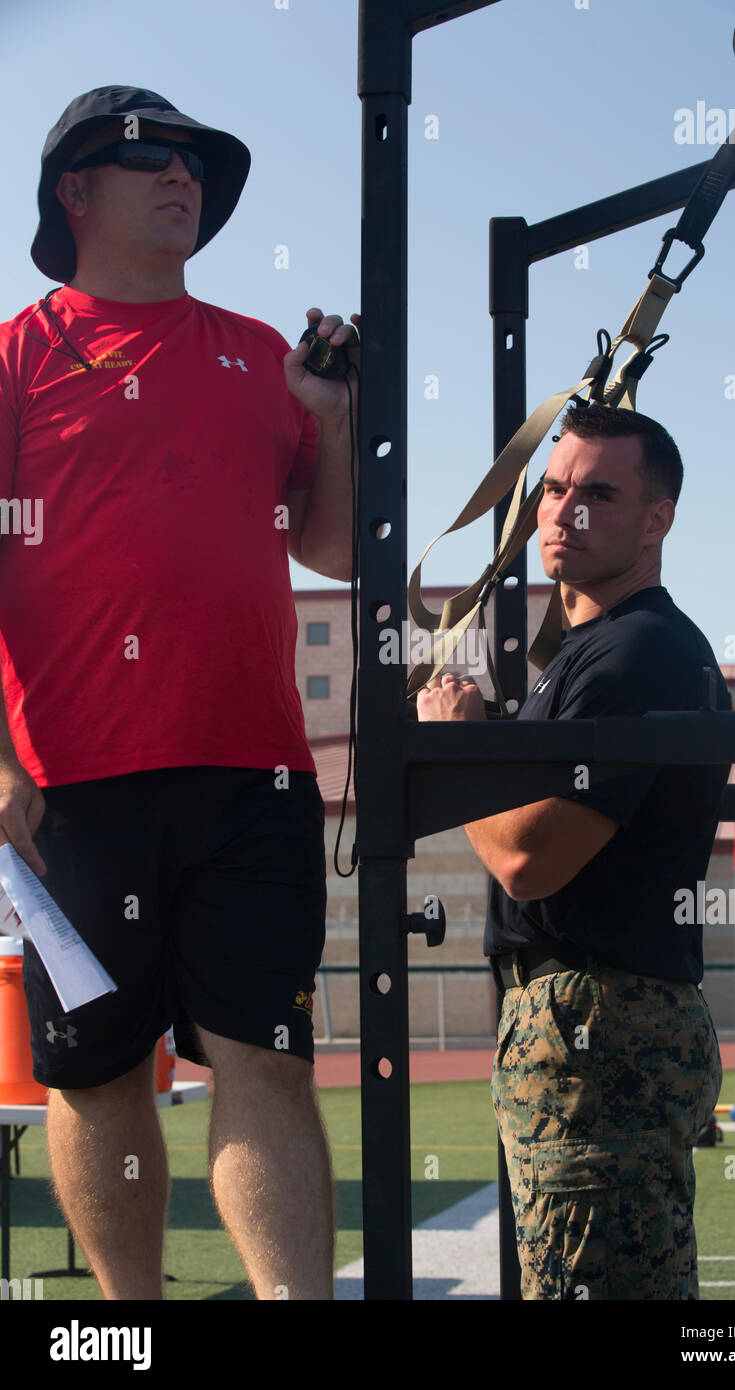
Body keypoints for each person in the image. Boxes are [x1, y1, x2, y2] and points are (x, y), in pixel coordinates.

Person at [0, 86, 360, 1300]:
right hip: (73, 783)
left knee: (266, 1059)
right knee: (97, 1074)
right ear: (75, 192)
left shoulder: (263, 353)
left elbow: (338, 552)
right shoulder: (15, 357)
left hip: (256, 773)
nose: (184, 178)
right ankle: (130, 1326)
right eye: (149, 158)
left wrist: (334, 421)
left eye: (197, 164)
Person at [418, 403, 729, 1300]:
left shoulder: (638, 654)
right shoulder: (591, 652)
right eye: (554, 489)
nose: (564, 513)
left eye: (598, 493)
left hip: (598, 1032)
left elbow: (529, 859)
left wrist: (458, 748)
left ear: (656, 518)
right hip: (588, 1027)